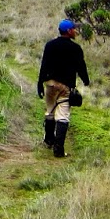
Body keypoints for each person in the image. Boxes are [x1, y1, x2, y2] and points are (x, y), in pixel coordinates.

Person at [37, 18, 89, 157]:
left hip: (50, 84)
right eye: (74, 29)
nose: (76, 31)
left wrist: (40, 84)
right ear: (68, 31)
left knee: (50, 111)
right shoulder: (75, 48)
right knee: (63, 116)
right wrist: (86, 80)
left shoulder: (50, 45)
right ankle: (58, 150)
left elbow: (44, 65)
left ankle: (49, 141)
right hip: (65, 86)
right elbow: (81, 67)